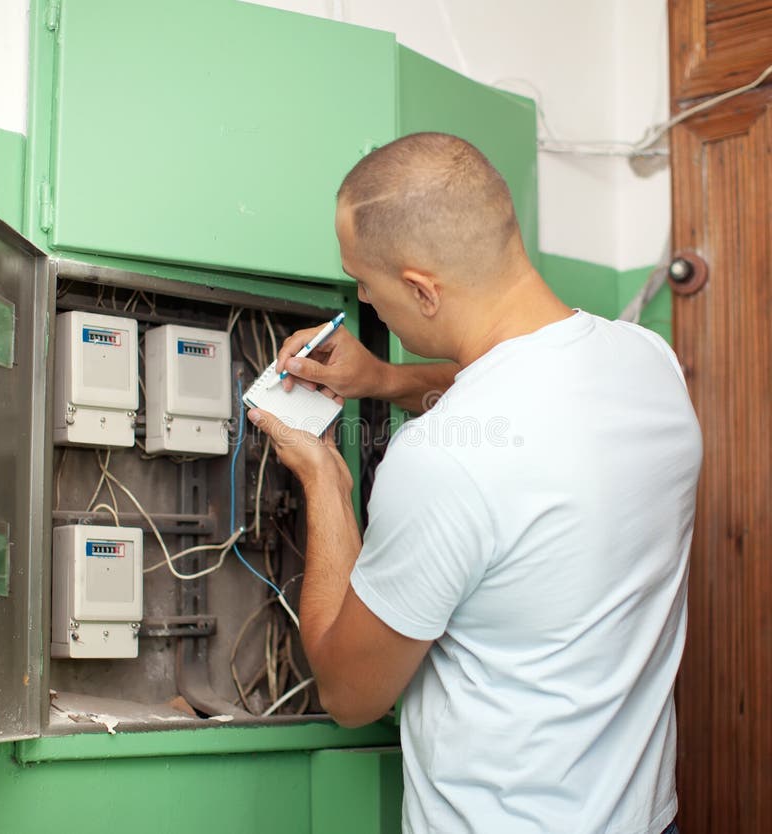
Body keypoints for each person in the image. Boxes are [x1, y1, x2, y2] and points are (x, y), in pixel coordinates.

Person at [246, 132, 702, 834]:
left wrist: (324, 479)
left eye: (365, 282)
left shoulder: (440, 464)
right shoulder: (648, 362)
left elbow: (347, 691)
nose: (362, 297)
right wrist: (384, 380)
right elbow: (520, 391)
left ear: (422, 289)